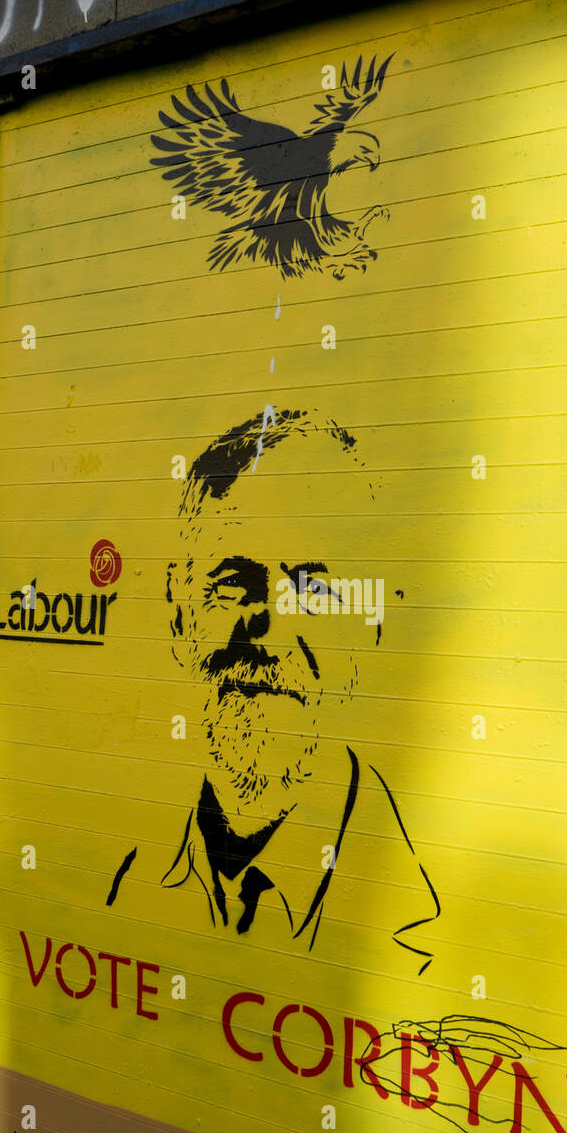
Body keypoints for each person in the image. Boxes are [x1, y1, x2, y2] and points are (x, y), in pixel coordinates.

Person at [105, 407, 440, 977]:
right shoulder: (129, 874)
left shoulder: (420, 934)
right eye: (232, 584)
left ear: (375, 621)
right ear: (179, 611)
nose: (265, 626)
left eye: (312, 588)